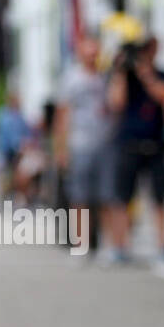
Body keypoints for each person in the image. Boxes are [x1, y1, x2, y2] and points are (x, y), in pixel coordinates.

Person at [106, 35, 164, 262]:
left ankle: (163, 244)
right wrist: (120, 72)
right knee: (122, 197)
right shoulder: (123, 79)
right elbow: (115, 104)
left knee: (160, 197)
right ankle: (120, 246)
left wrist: (146, 75)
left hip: (156, 143)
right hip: (128, 143)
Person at [55, 33, 113, 256]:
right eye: (88, 50)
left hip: (105, 143)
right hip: (79, 144)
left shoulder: (105, 77)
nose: (92, 55)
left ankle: (108, 246)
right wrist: (61, 149)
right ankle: (82, 244)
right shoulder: (72, 78)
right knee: (80, 197)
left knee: (107, 196)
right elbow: (63, 115)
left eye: (95, 50)